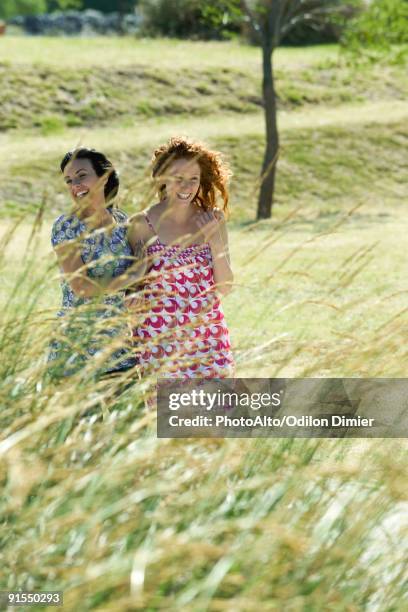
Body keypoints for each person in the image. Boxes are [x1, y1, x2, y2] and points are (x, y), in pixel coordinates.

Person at [127, 136, 234, 379]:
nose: (186, 187)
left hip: (209, 340)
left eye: (193, 180)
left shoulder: (213, 220)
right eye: (178, 179)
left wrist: (214, 240)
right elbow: (133, 286)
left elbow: (225, 287)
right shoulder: (141, 224)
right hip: (159, 342)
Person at [48, 148, 146, 378]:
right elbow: (81, 287)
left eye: (82, 176)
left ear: (104, 177)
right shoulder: (66, 227)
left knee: (127, 415)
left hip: (120, 348)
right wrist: (133, 276)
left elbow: (142, 264)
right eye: (69, 180)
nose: (75, 185)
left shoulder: (123, 221)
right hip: (76, 349)